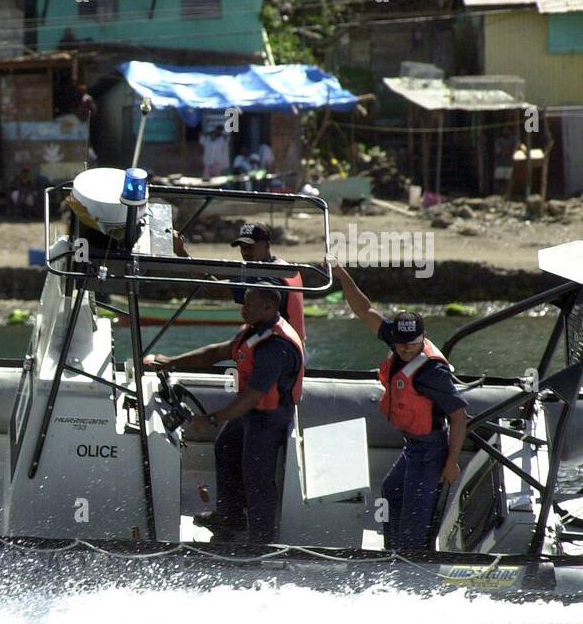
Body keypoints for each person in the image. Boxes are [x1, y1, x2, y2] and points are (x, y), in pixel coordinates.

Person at [146, 287, 305, 544]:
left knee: (257, 478)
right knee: (225, 447)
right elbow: (217, 352)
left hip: (269, 417)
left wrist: (211, 419)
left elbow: (253, 395)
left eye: (250, 306)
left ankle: (261, 544)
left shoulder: (275, 347)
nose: (244, 309)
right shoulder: (255, 330)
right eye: (244, 304)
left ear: (268, 309)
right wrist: (172, 361)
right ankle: (231, 521)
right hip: (253, 411)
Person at [331, 260, 469, 551]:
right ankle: (393, 552)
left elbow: (458, 415)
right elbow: (364, 310)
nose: (406, 349)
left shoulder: (433, 373)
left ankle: (410, 559)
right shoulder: (395, 339)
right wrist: (342, 275)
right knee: (391, 491)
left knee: (414, 519)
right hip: (412, 446)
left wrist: (451, 461)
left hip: (431, 450)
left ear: (423, 339)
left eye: (413, 343)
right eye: (401, 343)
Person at [174, 221, 305, 341]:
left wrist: (181, 253)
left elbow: (216, 288)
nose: (246, 252)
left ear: (267, 246)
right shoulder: (281, 265)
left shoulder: (265, 277)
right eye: (243, 248)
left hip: (283, 350)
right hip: (292, 345)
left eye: (250, 247)